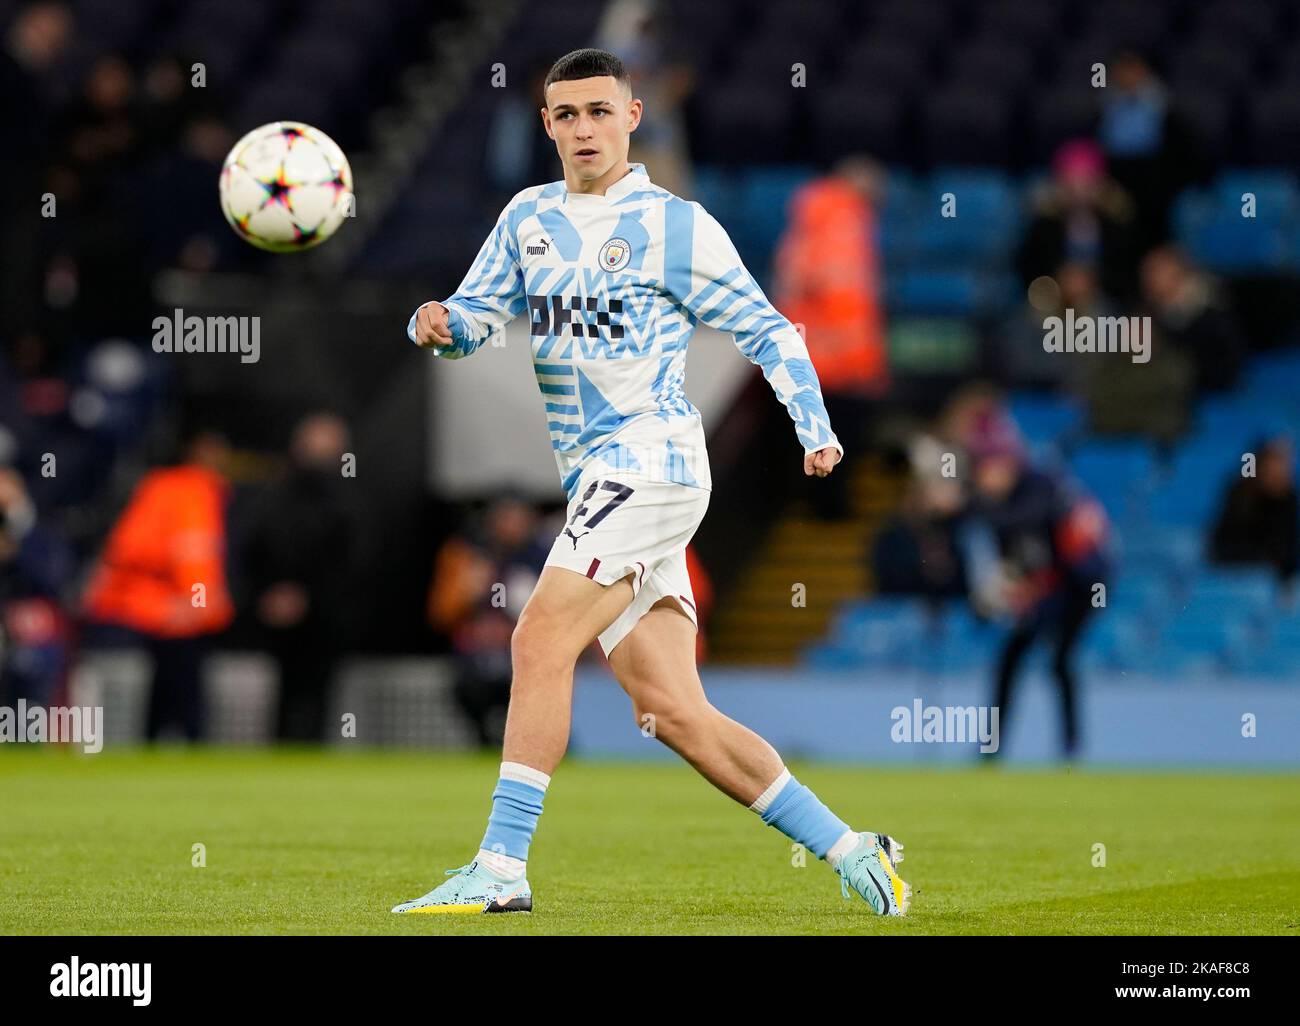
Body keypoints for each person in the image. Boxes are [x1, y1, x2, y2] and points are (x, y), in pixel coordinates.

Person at [392, 49, 908, 916]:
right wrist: (433, 323)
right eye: (567, 115)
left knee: (537, 639)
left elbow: (773, 329)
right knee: (670, 710)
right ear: (547, 124)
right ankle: (855, 847)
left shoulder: (678, 226)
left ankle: (502, 870)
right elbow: (474, 319)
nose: (584, 128)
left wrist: (813, 429)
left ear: (633, 116)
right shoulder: (526, 218)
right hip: (602, 477)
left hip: (654, 462)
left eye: (601, 111)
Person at [965, 412, 1109, 760]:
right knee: (1012, 659)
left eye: (991, 465)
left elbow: (1049, 543)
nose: (985, 475)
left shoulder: (1041, 488)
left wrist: (1021, 587)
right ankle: (993, 749)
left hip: (1081, 586)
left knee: (1059, 660)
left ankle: (1070, 748)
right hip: (1047, 585)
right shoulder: (997, 503)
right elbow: (1013, 554)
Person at [80, 428, 235, 740]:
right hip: (156, 614)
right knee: (180, 708)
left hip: (125, 609)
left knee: (146, 702)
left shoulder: (157, 486)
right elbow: (194, 558)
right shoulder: (191, 490)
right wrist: (199, 607)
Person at [236, 413, 359, 742]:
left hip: (326, 619)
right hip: (276, 619)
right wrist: (270, 594)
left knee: (318, 696)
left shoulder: (349, 501)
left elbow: (353, 563)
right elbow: (254, 548)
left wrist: (310, 597)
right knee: (282, 693)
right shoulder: (272, 496)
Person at [427, 494, 549, 748]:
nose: (511, 525)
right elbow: (441, 615)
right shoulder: (468, 554)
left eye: (517, 518)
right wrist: (466, 592)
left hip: (527, 658)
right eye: (505, 517)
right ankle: (485, 742)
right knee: (472, 692)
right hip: (476, 663)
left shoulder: (545, 558)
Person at [1210, 435, 1298, 588]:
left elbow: (1290, 549)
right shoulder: (1241, 494)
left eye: (1285, 463)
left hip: (1273, 580)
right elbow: (1224, 548)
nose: (1282, 469)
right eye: (1275, 461)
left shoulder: (1289, 498)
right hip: (1241, 577)